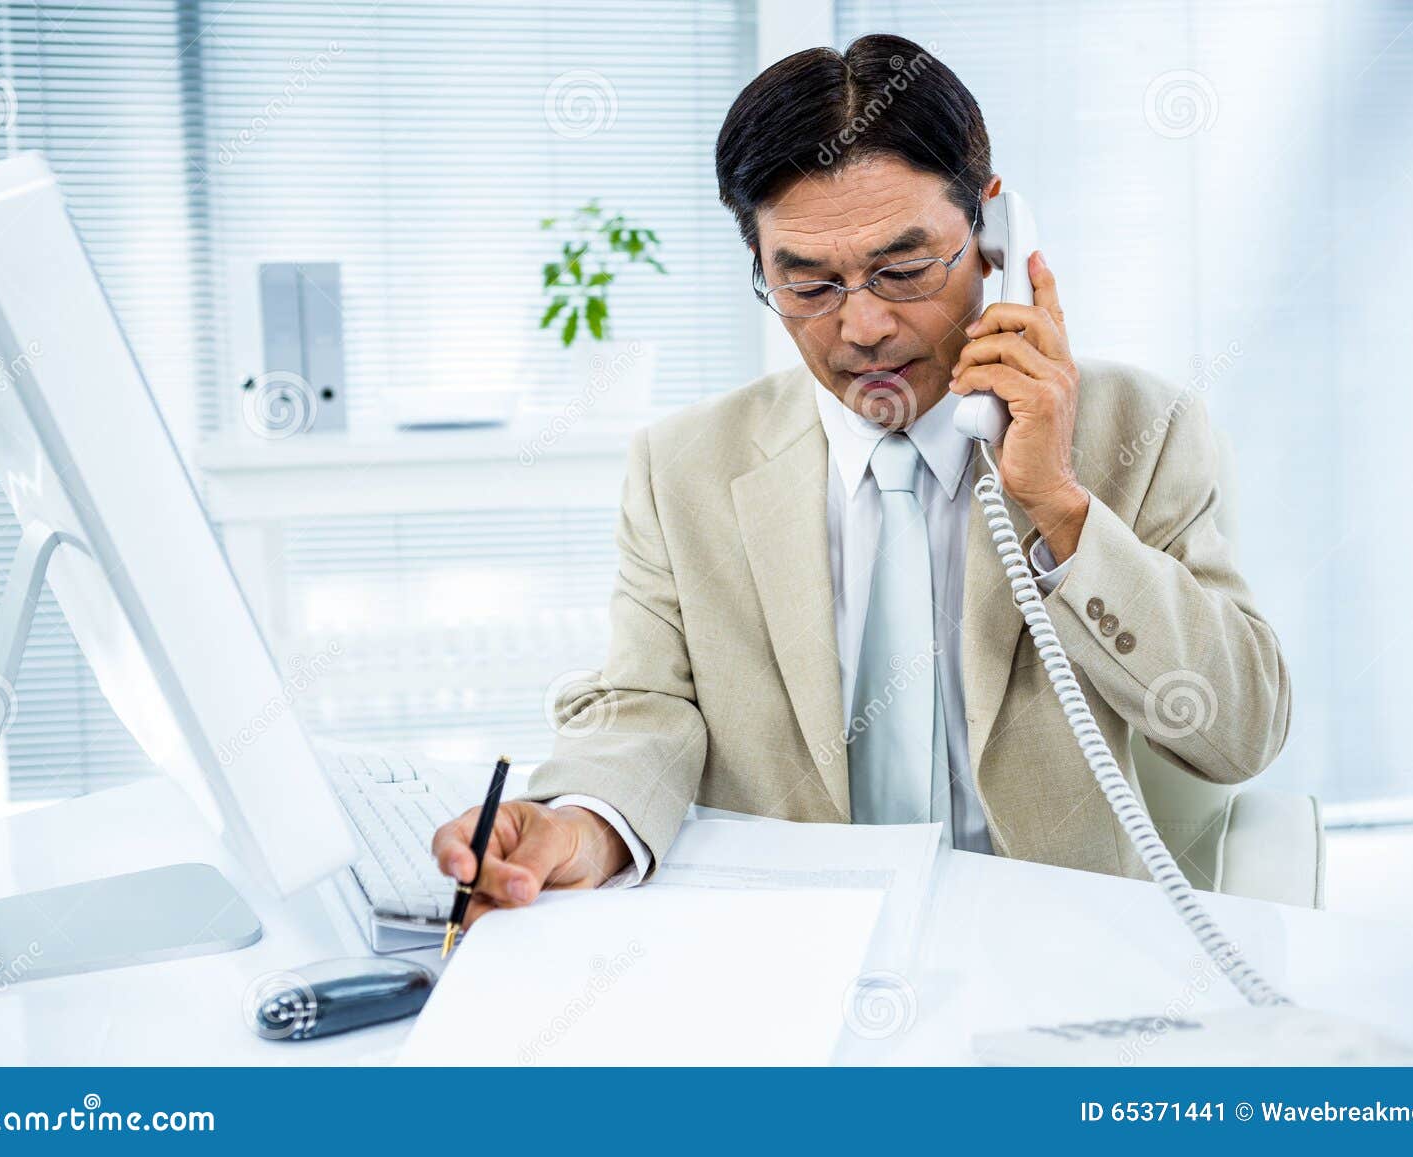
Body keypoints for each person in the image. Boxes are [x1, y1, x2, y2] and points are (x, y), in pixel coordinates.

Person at [433, 33, 1290, 929]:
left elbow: (1241, 734)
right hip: (787, 964)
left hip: (1052, 957)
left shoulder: (1137, 430)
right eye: (808, 284)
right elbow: (646, 706)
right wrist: (583, 824)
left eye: (905, 268)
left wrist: (1060, 510)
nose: (865, 327)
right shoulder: (682, 466)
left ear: (995, 234)